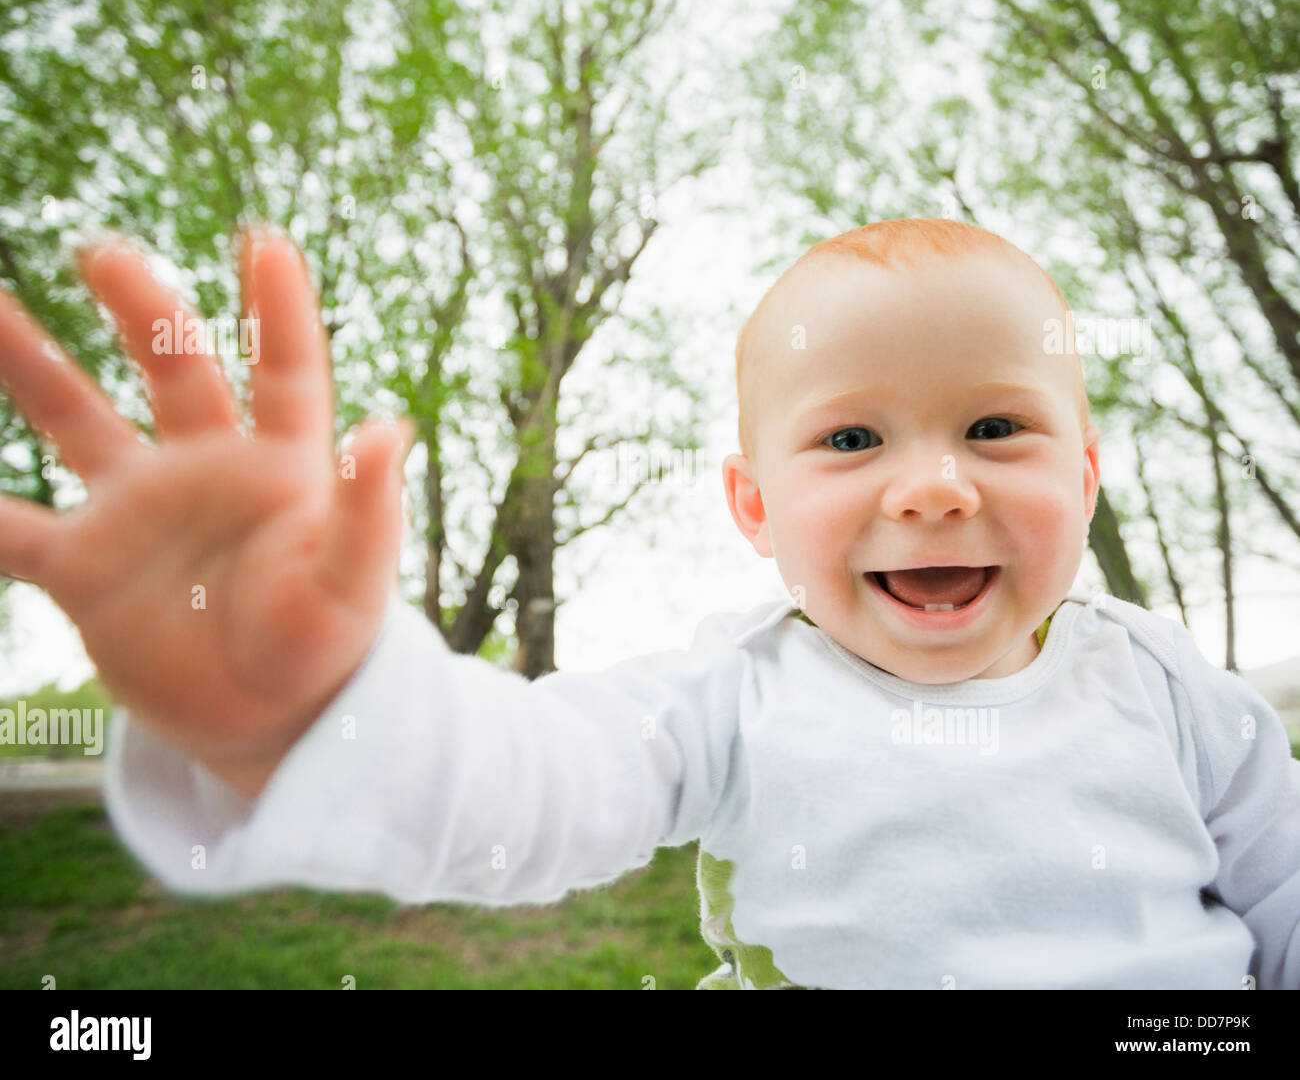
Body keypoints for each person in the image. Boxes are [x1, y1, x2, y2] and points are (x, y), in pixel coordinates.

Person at [1, 217, 1295, 988]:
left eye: (996, 426)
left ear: (1083, 473)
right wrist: (310, 706)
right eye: (851, 442)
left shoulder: (1174, 692)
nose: (935, 487)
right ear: (753, 509)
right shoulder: (731, 693)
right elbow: (535, 786)